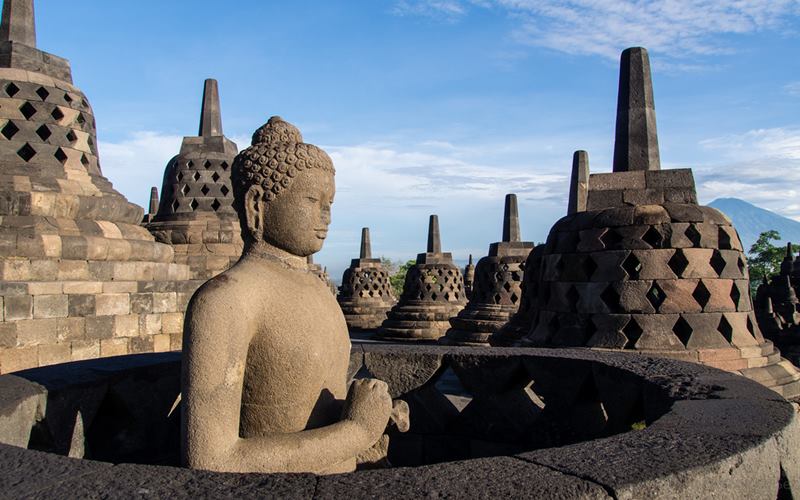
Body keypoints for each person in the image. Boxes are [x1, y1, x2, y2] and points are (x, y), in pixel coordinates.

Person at [181, 116, 395, 474]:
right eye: (312, 199)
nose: (325, 215)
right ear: (257, 205)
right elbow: (211, 458)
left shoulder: (320, 290)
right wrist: (356, 431)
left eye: (330, 202)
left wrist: (372, 416)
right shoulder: (225, 300)